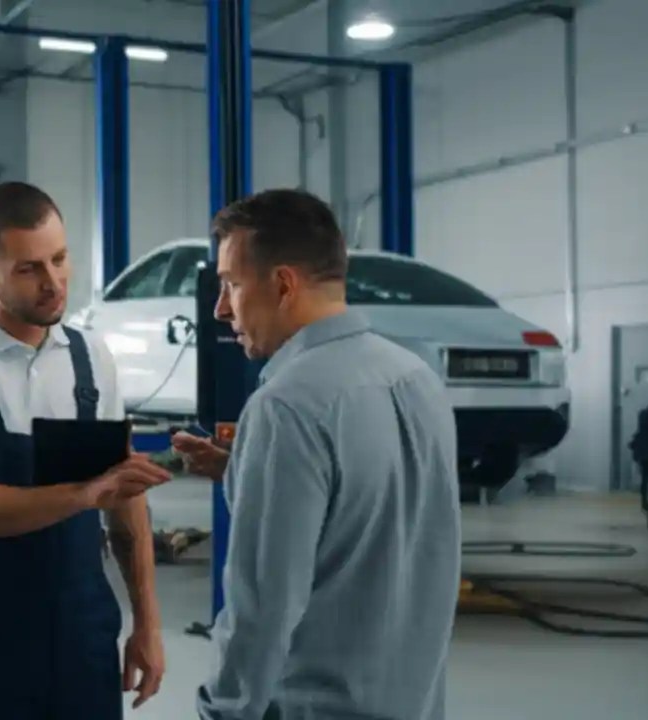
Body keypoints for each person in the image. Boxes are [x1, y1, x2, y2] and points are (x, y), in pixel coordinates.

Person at [173, 189, 462, 720]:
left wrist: (224, 711)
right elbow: (376, 523)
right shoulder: (417, 378)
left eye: (231, 285)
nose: (220, 309)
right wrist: (243, 470)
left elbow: (262, 607)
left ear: (283, 284)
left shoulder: (285, 406)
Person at [0, 181, 171, 719]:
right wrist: (82, 493)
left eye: (60, 259)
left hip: (83, 639)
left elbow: (124, 501)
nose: (53, 283)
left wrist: (147, 624)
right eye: (29, 269)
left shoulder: (92, 359)